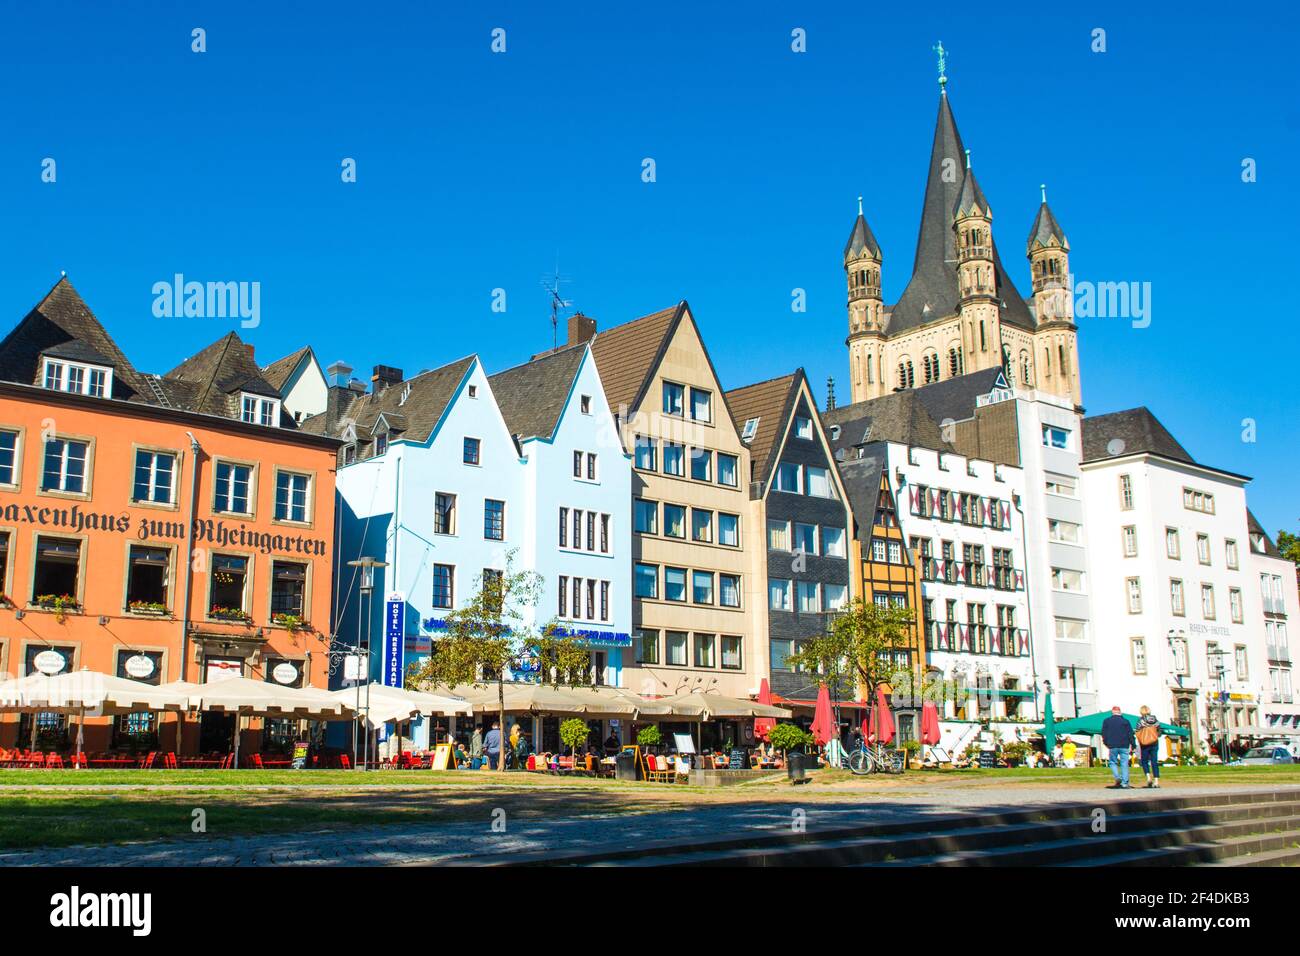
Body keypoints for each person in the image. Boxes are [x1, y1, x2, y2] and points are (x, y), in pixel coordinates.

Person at [1102, 706, 1136, 789]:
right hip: (1124, 745)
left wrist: (1106, 743)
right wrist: (1133, 744)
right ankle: (1125, 783)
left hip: (1112, 745)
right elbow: (1130, 734)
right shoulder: (1125, 721)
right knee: (1124, 763)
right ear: (1120, 712)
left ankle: (1117, 777)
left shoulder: (1107, 721)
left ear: (1112, 712)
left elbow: (1104, 734)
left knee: (1112, 762)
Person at [1136, 705, 1162, 788]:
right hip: (1154, 742)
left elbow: (1137, 730)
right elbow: (1160, 731)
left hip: (1145, 743)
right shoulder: (1155, 720)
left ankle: (1148, 777)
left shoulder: (1141, 720)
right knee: (1154, 761)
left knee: (1144, 761)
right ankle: (1156, 781)